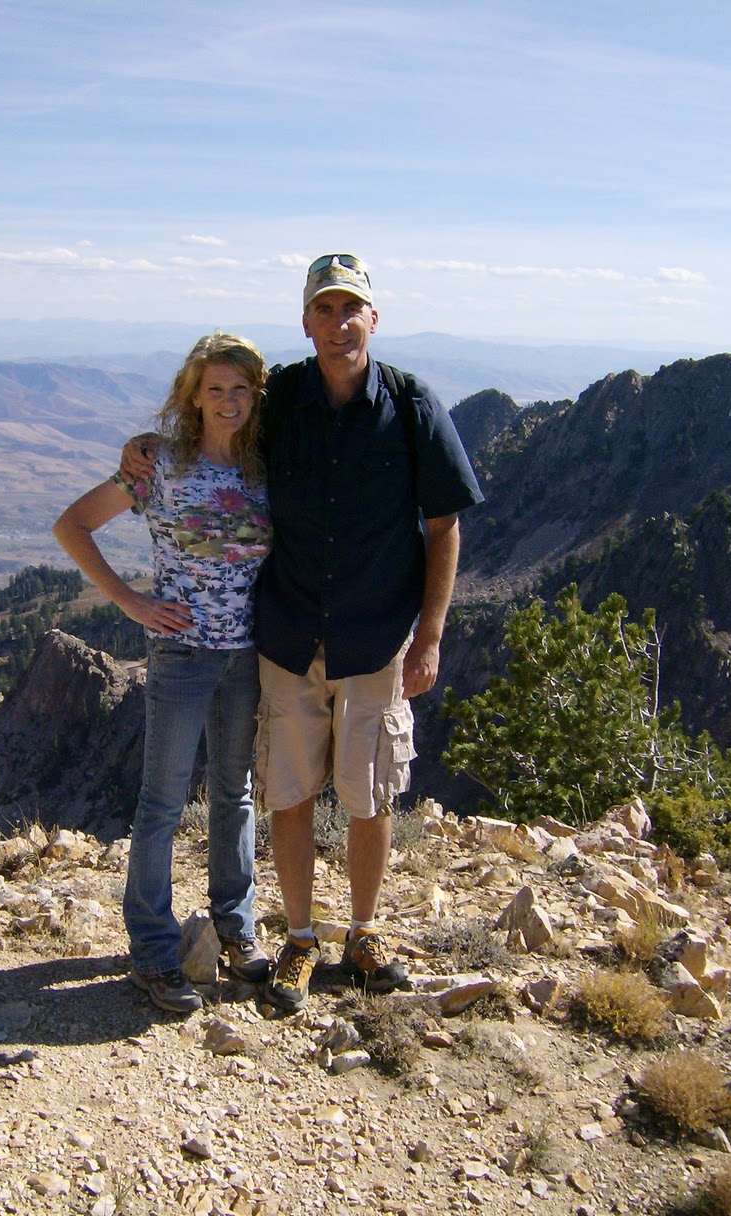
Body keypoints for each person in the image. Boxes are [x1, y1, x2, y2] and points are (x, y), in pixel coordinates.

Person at [122, 254, 484, 1014]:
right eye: (325, 309)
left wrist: (431, 634)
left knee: (369, 796)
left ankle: (363, 932)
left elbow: (444, 524)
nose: (339, 323)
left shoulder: (413, 406)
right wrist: (149, 447)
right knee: (286, 794)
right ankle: (299, 940)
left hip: (374, 639)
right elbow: (216, 417)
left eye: (352, 309)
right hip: (287, 637)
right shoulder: (281, 394)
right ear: (307, 322)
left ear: (373, 319)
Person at [54, 333, 274, 1014]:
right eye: (215, 389)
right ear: (193, 395)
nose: (229, 402)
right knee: (163, 803)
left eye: (241, 389)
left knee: (235, 794)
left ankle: (234, 928)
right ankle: (152, 953)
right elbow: (73, 525)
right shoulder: (159, 467)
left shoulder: (269, 466)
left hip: (246, 654)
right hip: (180, 655)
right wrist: (131, 602)